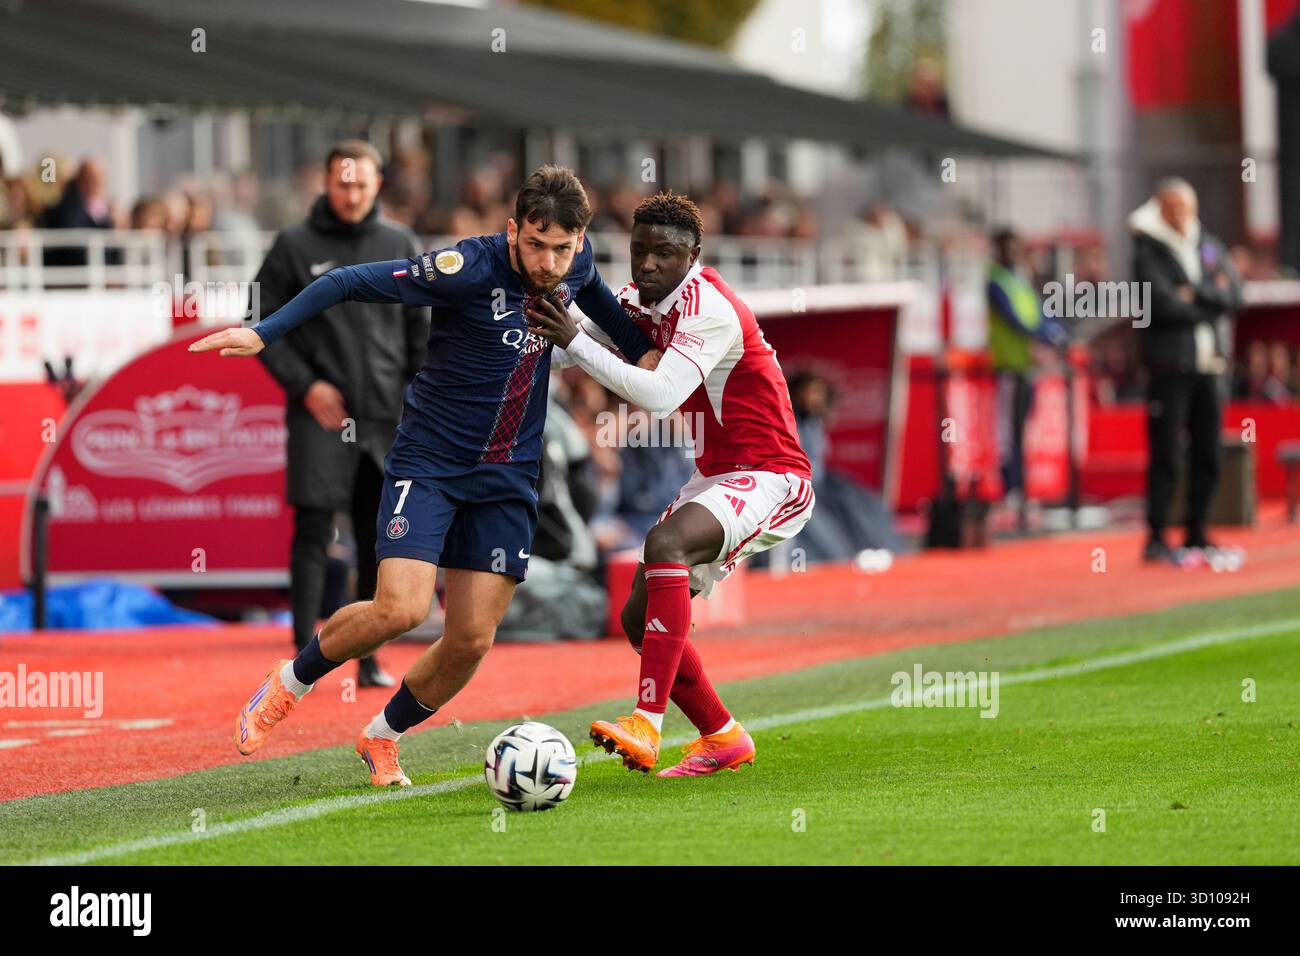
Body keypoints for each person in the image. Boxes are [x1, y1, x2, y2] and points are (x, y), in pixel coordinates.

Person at [190, 165, 656, 786]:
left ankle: (382, 737)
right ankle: (288, 682)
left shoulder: (578, 262)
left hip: (508, 474)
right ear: (513, 229)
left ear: (579, 241)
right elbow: (350, 282)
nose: (548, 262)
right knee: (400, 609)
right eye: (536, 244)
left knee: (470, 639)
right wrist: (263, 332)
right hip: (430, 462)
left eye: (562, 249)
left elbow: (627, 335)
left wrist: (673, 359)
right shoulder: (465, 268)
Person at [526, 191, 814, 777]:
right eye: (639, 251)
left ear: (694, 256)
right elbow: (574, 346)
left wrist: (574, 342)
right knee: (636, 619)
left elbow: (660, 394)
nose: (648, 264)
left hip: (773, 475)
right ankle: (723, 735)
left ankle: (646, 722)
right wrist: (519, 331)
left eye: (664, 253)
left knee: (665, 547)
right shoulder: (641, 300)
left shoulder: (709, 306)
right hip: (716, 475)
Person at [253, 139, 427, 688]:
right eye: (341, 182)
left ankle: (367, 655)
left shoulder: (400, 242)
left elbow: (423, 334)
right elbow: (260, 324)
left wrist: (415, 401)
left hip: (385, 417)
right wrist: (307, 387)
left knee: (378, 537)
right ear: (326, 184)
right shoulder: (292, 245)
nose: (351, 193)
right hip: (319, 416)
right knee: (312, 527)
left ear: (378, 184)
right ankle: (300, 654)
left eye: (361, 183)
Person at [1130, 177, 1243, 565]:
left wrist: (1194, 293)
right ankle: (1158, 535)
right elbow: (1161, 304)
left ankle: (1196, 530)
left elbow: (1234, 294)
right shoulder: (1147, 249)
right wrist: (1208, 298)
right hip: (1170, 367)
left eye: (1186, 207)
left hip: (1210, 365)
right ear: (1161, 209)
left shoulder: (1207, 245)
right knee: (1166, 453)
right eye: (1174, 208)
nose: (1181, 216)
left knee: (1208, 451)